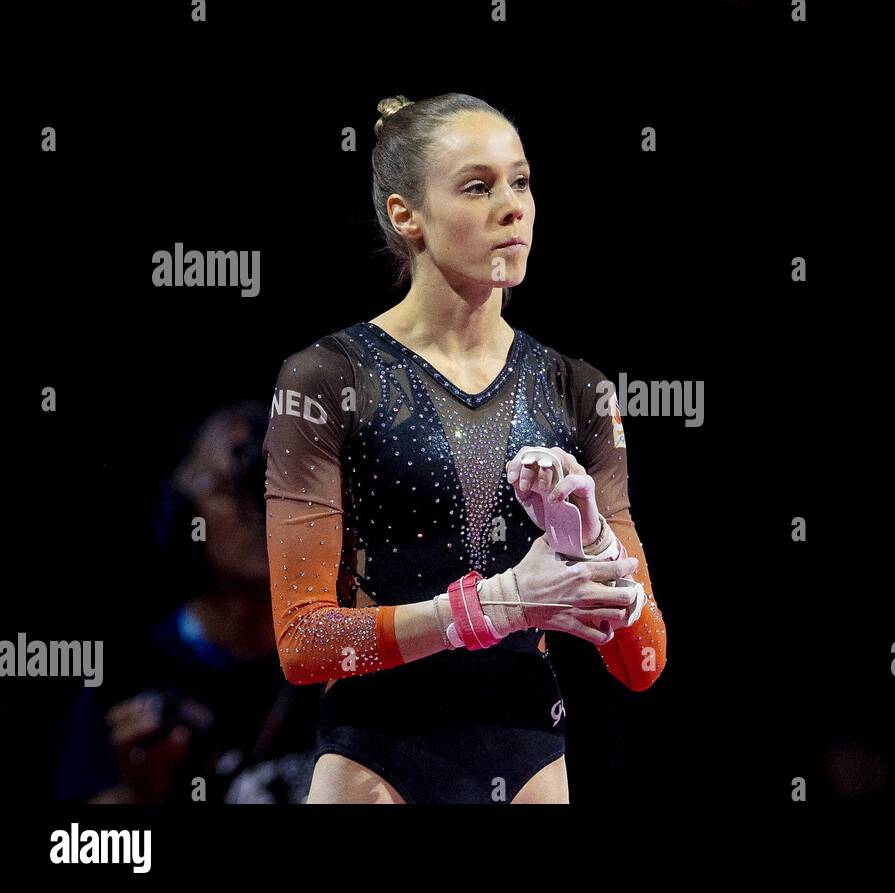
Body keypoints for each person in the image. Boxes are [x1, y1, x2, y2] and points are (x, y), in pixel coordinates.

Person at [262, 93, 667, 804]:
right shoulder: (328, 379)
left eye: (521, 181)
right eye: (477, 186)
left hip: (528, 756)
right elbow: (303, 643)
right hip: (374, 758)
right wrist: (502, 602)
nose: (512, 207)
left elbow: (643, 663)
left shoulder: (578, 391)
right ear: (405, 215)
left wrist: (591, 540)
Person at [57, 402, 319, 804]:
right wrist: (139, 792)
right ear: (183, 511)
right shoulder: (130, 674)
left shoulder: (343, 658)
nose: (260, 510)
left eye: (280, 485)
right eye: (234, 489)